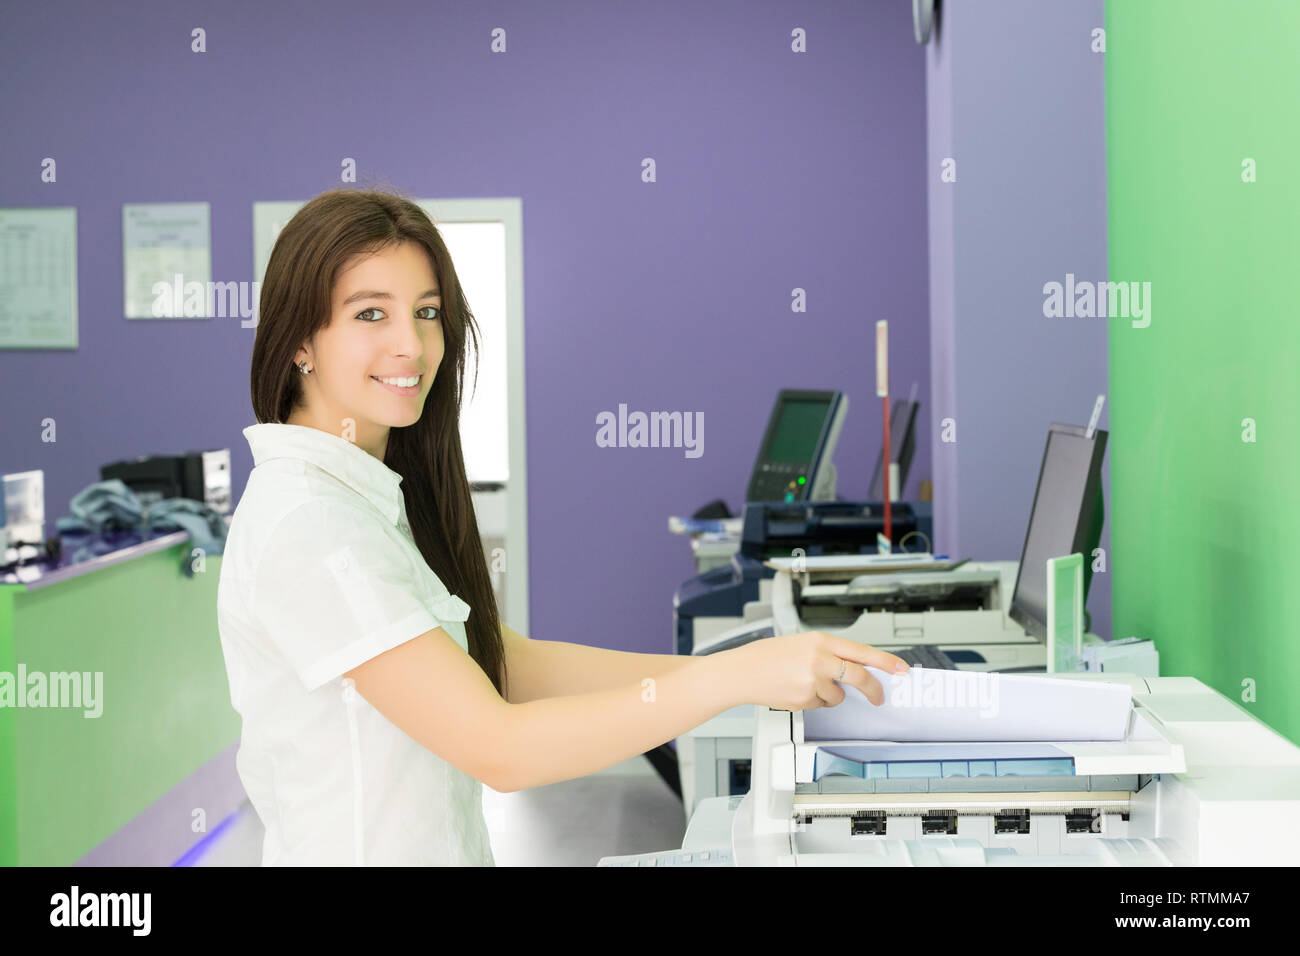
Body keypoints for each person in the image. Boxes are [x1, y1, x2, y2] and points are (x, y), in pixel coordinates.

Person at [215, 186, 911, 866]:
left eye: (427, 313)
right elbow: (501, 748)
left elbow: (504, 665)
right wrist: (733, 679)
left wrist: (740, 672)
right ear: (300, 339)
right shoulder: (312, 523)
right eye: (371, 314)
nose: (414, 345)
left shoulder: (360, 497)